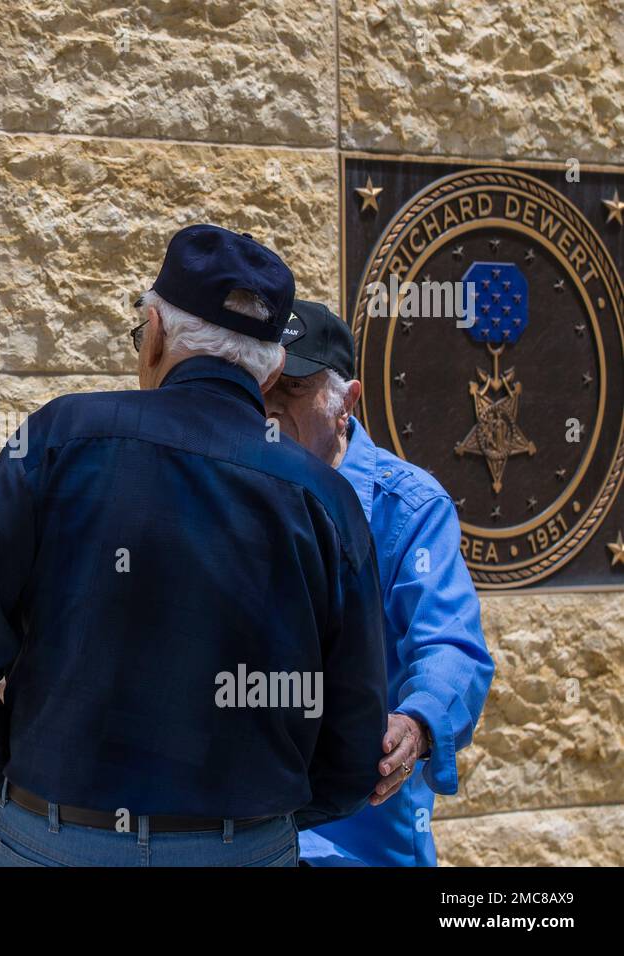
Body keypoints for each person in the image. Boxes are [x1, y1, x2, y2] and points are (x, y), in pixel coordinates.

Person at [0, 225, 386, 866]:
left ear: (154, 333)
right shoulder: (325, 497)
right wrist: (264, 823)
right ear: (270, 366)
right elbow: (355, 729)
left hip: (53, 839)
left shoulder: (58, 439)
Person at [265, 299, 494, 866]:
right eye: (260, 389)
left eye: (291, 392)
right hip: (240, 835)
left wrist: (416, 723)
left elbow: (451, 644)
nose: (268, 412)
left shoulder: (411, 506)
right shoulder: (233, 485)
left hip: (361, 842)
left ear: (347, 402)